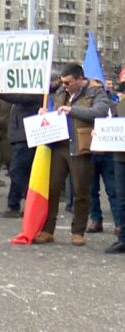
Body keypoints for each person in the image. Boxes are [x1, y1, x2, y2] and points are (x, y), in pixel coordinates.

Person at [35, 63, 110, 246]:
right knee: (52, 190)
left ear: (80, 79)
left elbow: (100, 112)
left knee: (81, 191)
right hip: (59, 146)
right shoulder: (60, 92)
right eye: (63, 82)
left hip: (80, 147)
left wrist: (72, 110)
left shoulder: (96, 92)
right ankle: (47, 230)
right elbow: (55, 112)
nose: (65, 85)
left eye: (68, 82)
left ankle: (78, 231)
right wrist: (45, 114)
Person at [0, 75, 60, 217]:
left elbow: (15, 97)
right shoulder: (35, 92)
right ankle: (18, 205)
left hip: (26, 138)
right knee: (22, 172)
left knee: (17, 172)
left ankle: (23, 203)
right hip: (22, 137)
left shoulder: (37, 93)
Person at [87, 78, 119, 234]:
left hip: (109, 154)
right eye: (93, 89)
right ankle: (96, 220)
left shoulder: (115, 107)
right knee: (92, 190)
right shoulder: (86, 106)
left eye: (100, 88)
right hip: (91, 153)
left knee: (113, 190)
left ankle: (119, 223)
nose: (97, 91)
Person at [105, 82, 125, 254]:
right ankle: (123, 238)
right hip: (120, 157)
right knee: (122, 198)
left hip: (120, 157)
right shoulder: (118, 106)